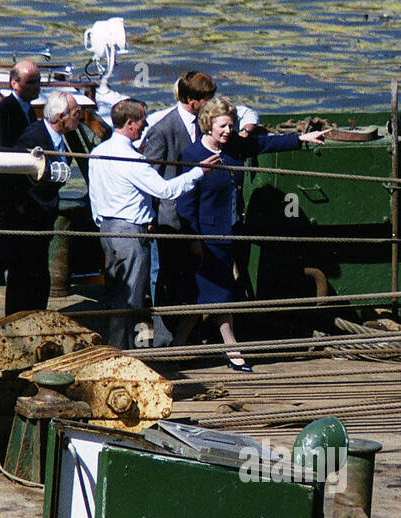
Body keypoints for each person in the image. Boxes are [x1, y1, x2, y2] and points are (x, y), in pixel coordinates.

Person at [176, 97, 325, 371]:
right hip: (207, 237)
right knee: (220, 293)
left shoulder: (233, 149)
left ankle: (176, 347)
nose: (228, 131)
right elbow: (185, 204)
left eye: (231, 125)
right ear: (209, 124)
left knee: (205, 295)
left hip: (232, 231)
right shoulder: (191, 156)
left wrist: (303, 137)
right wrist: (194, 238)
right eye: (222, 126)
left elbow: (264, 144)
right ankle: (232, 350)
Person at [87, 98, 219, 349]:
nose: (145, 125)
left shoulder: (97, 152)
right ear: (129, 124)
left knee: (115, 294)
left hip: (106, 228)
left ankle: (115, 348)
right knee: (131, 299)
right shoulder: (132, 160)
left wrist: (100, 221)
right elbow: (165, 190)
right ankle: (123, 354)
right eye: (142, 121)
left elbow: (94, 192)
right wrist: (197, 172)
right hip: (130, 233)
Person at [140, 71, 216, 345]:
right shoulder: (163, 130)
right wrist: (150, 217)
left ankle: (187, 335)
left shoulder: (203, 125)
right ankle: (164, 338)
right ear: (191, 99)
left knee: (191, 278)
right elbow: (148, 176)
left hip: (197, 216)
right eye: (206, 99)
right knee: (165, 279)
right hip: (170, 220)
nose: (210, 104)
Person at [2, 91, 81, 314]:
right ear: (60, 116)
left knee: (39, 275)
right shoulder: (33, 138)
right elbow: (18, 181)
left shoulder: (62, 139)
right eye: (76, 113)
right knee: (24, 276)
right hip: (28, 220)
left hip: (44, 218)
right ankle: (19, 318)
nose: (79, 117)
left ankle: (37, 316)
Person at [0, 60, 43, 296]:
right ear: (14, 83)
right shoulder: (4, 114)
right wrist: (12, 203)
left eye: (38, 82)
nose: (37, 87)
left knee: (6, 255)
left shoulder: (28, 111)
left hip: (12, 200)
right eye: (31, 82)